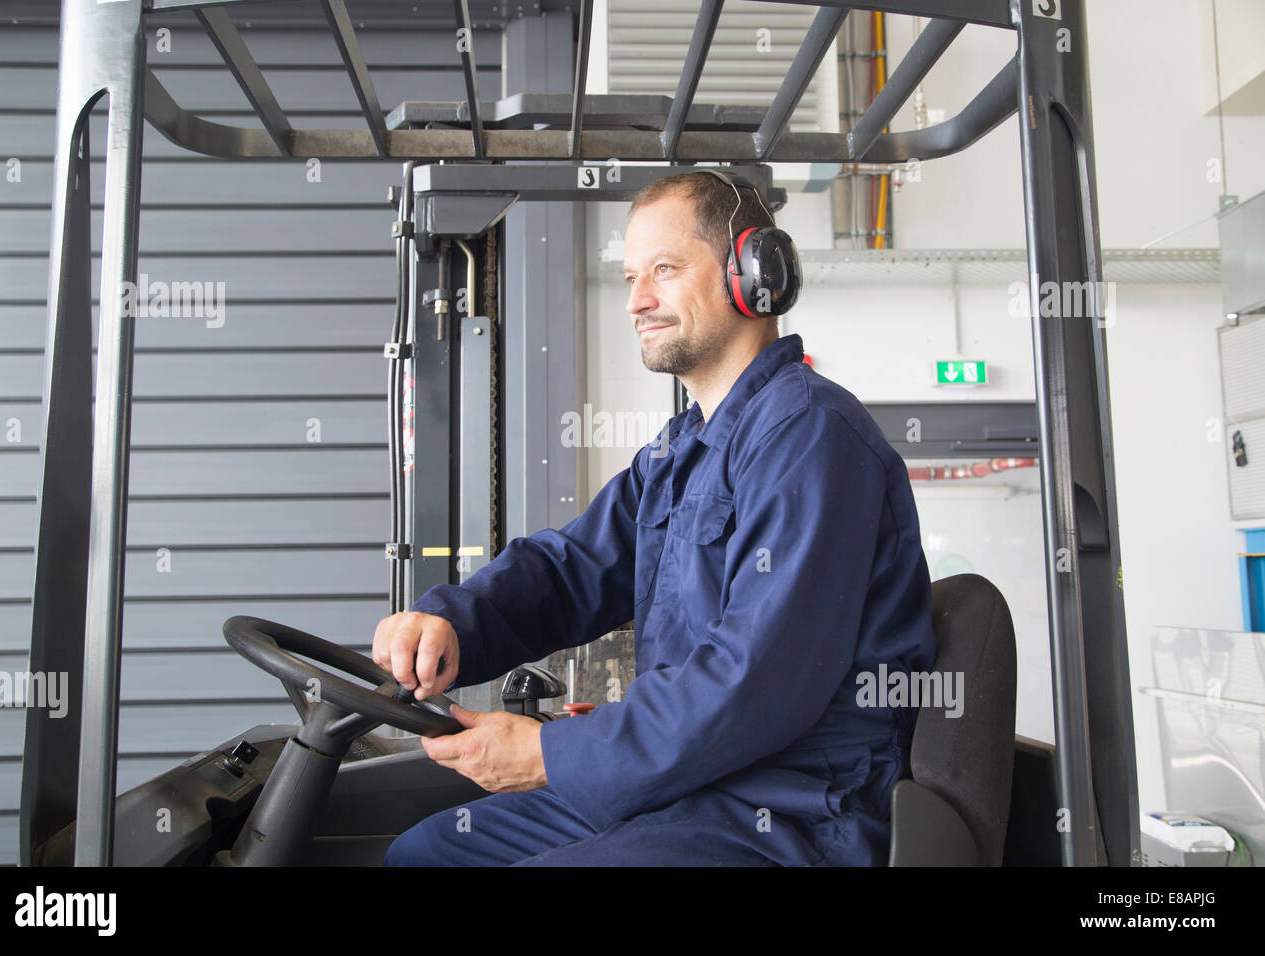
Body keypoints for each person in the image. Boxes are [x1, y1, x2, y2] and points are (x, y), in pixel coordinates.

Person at [374, 170, 936, 866]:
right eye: (630, 276)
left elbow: (754, 682)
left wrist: (550, 754)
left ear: (753, 273)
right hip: (687, 788)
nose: (638, 300)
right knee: (425, 855)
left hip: (791, 810)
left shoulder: (810, 437)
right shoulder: (681, 451)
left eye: (664, 270)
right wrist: (450, 623)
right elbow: (570, 569)